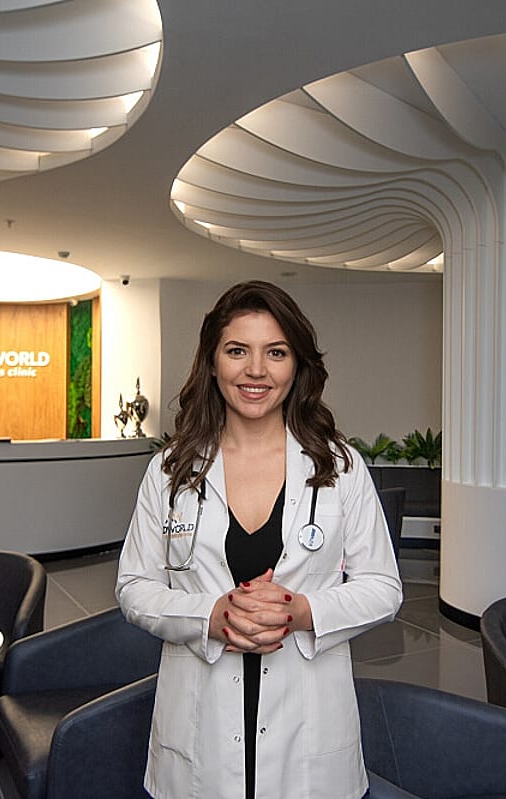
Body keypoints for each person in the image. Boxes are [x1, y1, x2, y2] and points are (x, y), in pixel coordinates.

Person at [116, 280, 403, 799]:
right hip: (198, 721)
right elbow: (134, 585)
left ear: (297, 366)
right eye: (237, 351)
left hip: (309, 723)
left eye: (275, 352)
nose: (255, 370)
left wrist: (301, 612)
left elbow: (383, 586)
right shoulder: (171, 470)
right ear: (211, 362)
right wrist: (210, 615)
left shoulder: (338, 467)